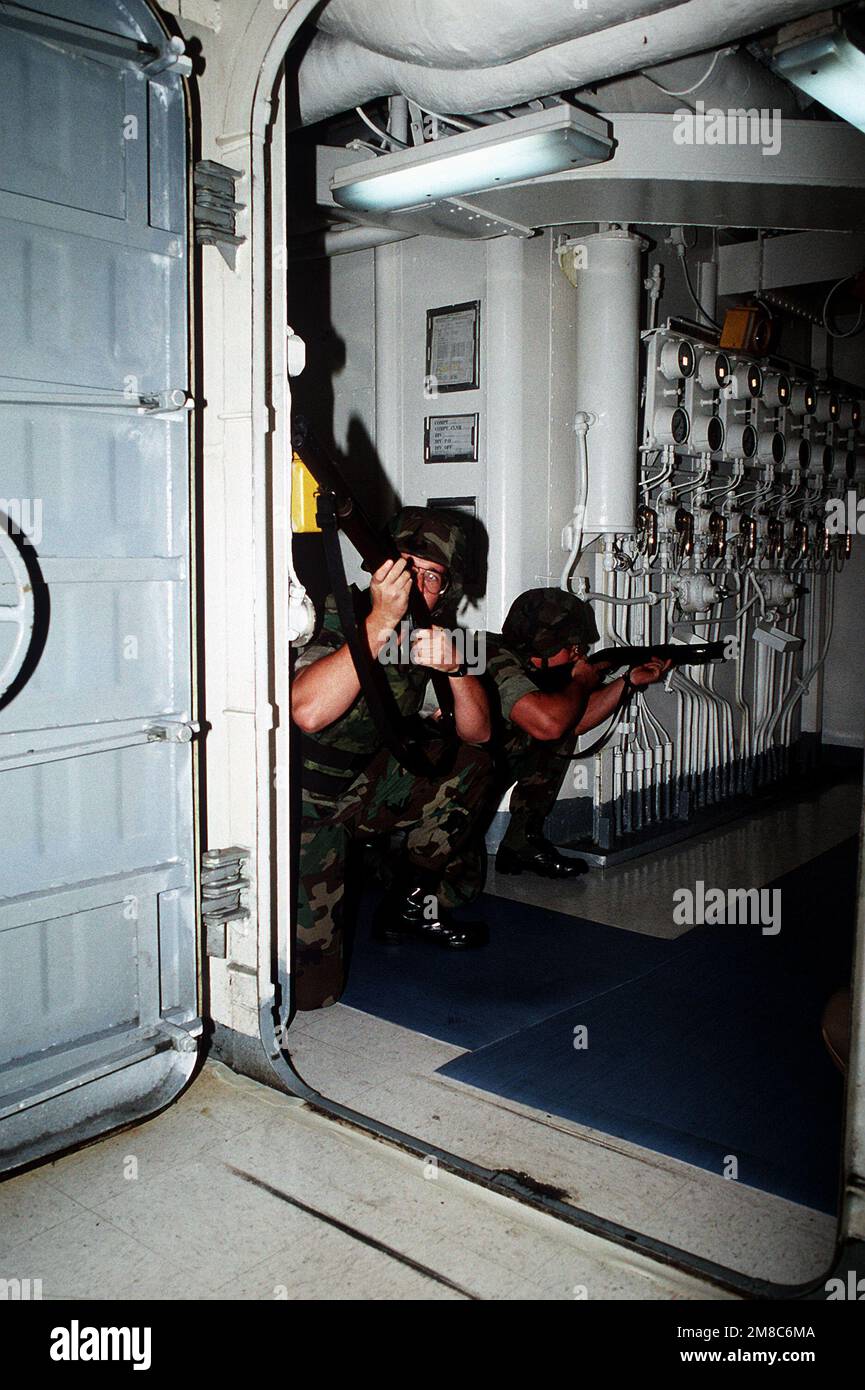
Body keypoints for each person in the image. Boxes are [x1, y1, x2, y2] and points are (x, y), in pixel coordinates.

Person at [291, 506, 492, 1011]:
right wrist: (379, 622)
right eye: (404, 569)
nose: (414, 585)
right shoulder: (330, 613)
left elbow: (480, 733)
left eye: (430, 577)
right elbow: (307, 712)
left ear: (444, 590)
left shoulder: (437, 636)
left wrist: (458, 670)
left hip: (356, 791)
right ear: (379, 574)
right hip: (296, 804)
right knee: (314, 995)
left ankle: (409, 895)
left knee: (471, 763)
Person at [484, 587, 672, 877]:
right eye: (571, 645)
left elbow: (575, 722)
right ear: (542, 642)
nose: (579, 654)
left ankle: (522, 842)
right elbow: (549, 724)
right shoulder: (488, 653)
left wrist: (628, 680)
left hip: (484, 768)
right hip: (443, 773)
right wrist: (582, 683)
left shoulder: (539, 672)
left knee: (561, 726)